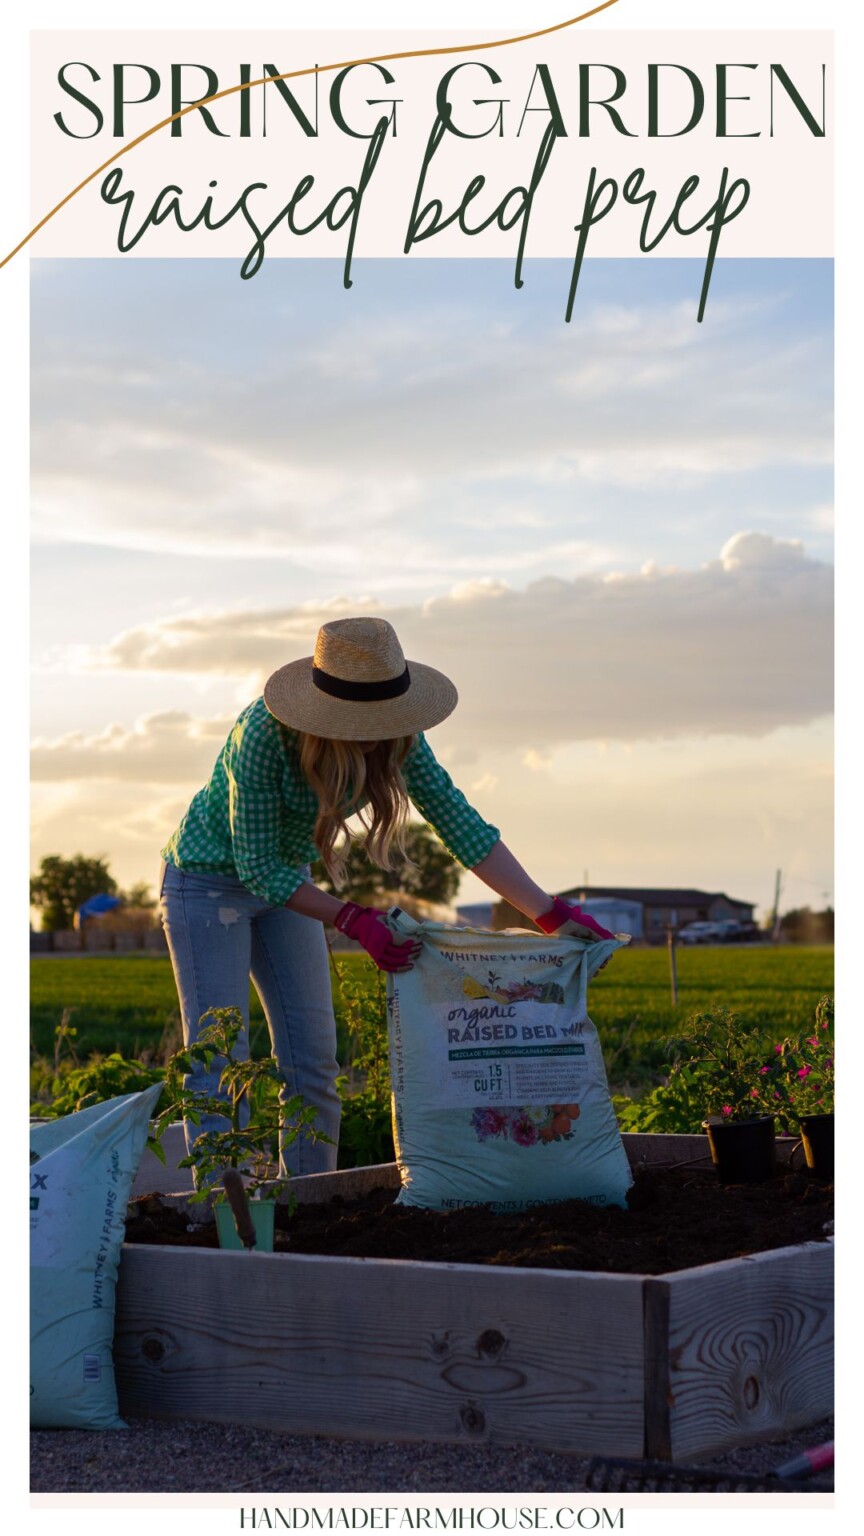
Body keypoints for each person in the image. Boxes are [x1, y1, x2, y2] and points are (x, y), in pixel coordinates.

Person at [159, 615, 613, 1174]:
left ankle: (309, 1204)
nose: (376, 730)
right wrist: (353, 919)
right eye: (361, 718)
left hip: (290, 883)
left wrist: (546, 912)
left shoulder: (399, 735)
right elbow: (255, 868)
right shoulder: (263, 733)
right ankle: (223, 1218)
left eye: (384, 715)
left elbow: (460, 824)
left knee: (313, 1062)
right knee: (218, 1061)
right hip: (207, 885)